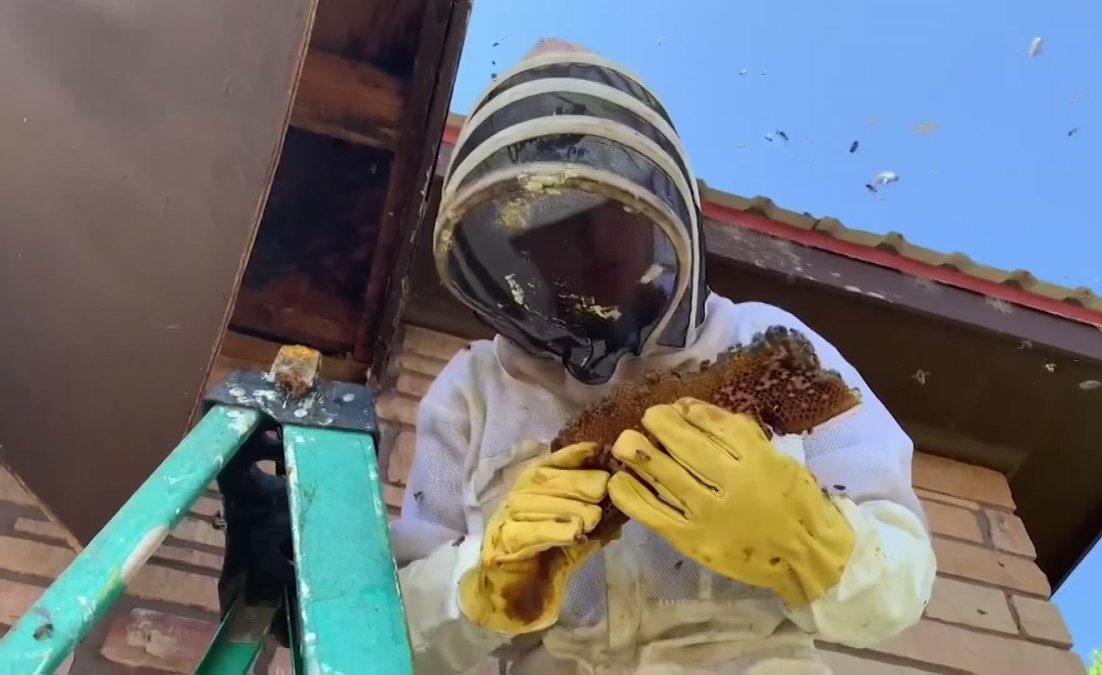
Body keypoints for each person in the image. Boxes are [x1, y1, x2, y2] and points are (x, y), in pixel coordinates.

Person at [389, 38, 937, 675]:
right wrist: (480, 583)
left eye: (606, 212)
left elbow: (900, 583)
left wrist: (806, 536)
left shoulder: (757, 334)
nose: (592, 244)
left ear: (660, 202)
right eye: (555, 228)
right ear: (516, 252)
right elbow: (396, 637)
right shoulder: (473, 392)